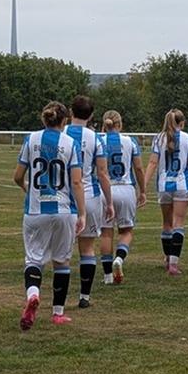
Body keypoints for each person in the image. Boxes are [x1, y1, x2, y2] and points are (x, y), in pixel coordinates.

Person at [15, 101, 88, 329]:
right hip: (64, 211)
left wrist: (28, 189)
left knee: (33, 259)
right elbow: (77, 182)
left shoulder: (31, 139)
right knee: (62, 261)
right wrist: (82, 213)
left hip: (35, 210)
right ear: (64, 120)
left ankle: (33, 294)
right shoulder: (70, 143)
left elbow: (17, 176)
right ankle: (58, 313)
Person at [66, 94, 115, 309]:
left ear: (70, 112)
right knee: (87, 249)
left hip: (63, 196)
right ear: (91, 115)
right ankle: (84, 296)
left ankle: (58, 302)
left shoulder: (61, 133)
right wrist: (109, 202)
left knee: (62, 252)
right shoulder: (95, 138)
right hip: (89, 196)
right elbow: (102, 173)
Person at [146, 109, 188, 275]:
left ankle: (168, 258)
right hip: (182, 184)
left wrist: (143, 184)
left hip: (164, 185)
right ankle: (174, 264)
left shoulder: (159, 138)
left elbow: (153, 163)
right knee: (178, 223)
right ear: (182, 123)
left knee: (167, 223)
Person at [97, 110, 145, 283]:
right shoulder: (130, 141)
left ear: (104, 124)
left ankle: (108, 276)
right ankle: (119, 258)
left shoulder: (97, 140)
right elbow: (138, 168)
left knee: (106, 232)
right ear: (120, 124)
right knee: (126, 231)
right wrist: (143, 190)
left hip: (104, 190)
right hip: (125, 189)